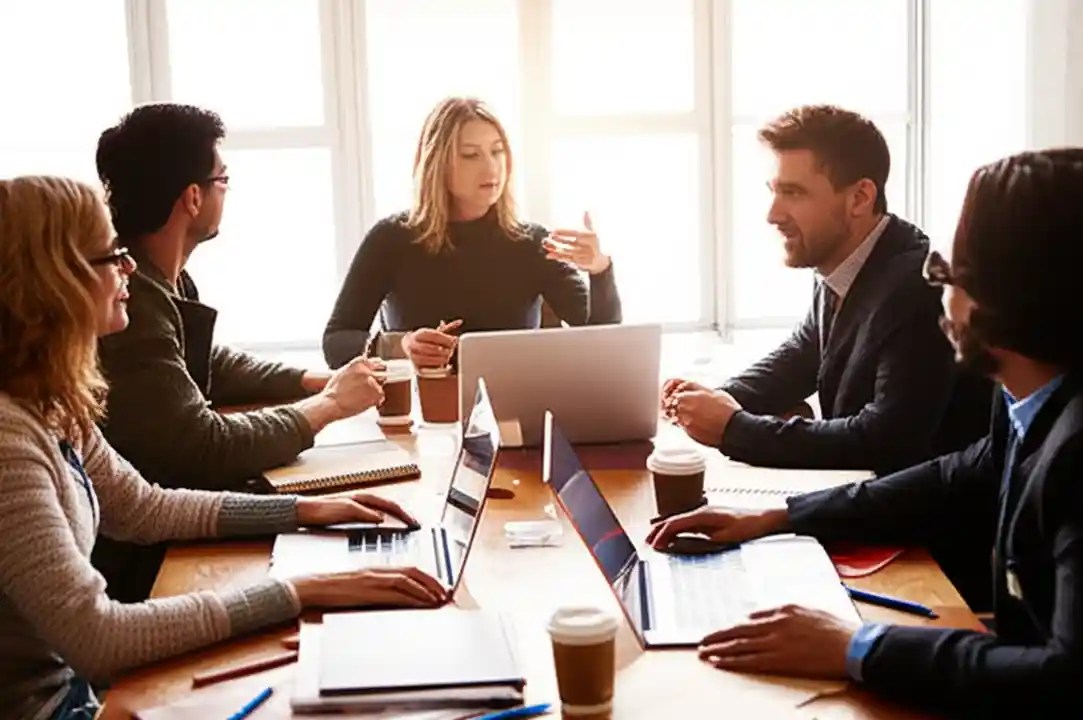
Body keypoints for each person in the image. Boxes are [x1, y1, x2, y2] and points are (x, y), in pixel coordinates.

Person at [648, 149, 1083, 717]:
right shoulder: (1071, 360)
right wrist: (782, 517)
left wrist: (856, 645)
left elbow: (1077, 683)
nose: (936, 292)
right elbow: (972, 467)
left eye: (946, 272)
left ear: (1015, 296)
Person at [0, 176, 448, 720]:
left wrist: (302, 510)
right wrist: (300, 591)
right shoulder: (9, 441)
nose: (129, 268)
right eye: (112, 254)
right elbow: (99, 636)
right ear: (54, 280)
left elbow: (142, 507)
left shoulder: (50, 399)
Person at [93, 103, 385, 602]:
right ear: (192, 196)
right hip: (143, 566)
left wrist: (310, 382)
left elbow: (208, 363)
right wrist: (329, 407)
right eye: (222, 179)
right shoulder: (129, 302)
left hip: (168, 527)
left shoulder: (161, 277)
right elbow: (202, 448)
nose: (225, 192)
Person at [661, 105, 989, 476]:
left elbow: (884, 440)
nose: (773, 214)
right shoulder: (849, 259)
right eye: (774, 191)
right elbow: (803, 355)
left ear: (860, 198)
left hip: (918, 523)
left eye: (793, 193)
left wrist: (733, 428)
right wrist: (716, 400)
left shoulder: (915, 289)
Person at [322, 97, 622, 370]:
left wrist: (599, 269)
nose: (491, 167)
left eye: (497, 151)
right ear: (437, 164)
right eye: (470, 155)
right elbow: (336, 341)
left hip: (512, 408)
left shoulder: (532, 243)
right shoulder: (391, 238)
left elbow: (603, 347)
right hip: (418, 413)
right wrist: (398, 346)